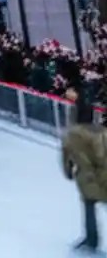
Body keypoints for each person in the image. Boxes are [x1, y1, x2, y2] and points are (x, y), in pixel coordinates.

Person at [62, 90, 107, 253]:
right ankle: (91, 240)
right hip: (105, 175)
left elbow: (66, 158)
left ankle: (91, 240)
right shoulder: (102, 132)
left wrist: (68, 172)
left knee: (89, 207)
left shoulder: (71, 135)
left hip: (87, 178)